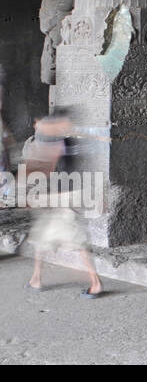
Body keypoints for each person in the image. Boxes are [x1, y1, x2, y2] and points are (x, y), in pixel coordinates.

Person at [24, 108, 103, 298]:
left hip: (61, 197)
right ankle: (36, 278)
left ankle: (96, 282)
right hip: (66, 193)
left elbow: (46, 166)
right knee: (42, 238)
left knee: (73, 240)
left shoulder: (50, 140)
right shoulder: (68, 139)